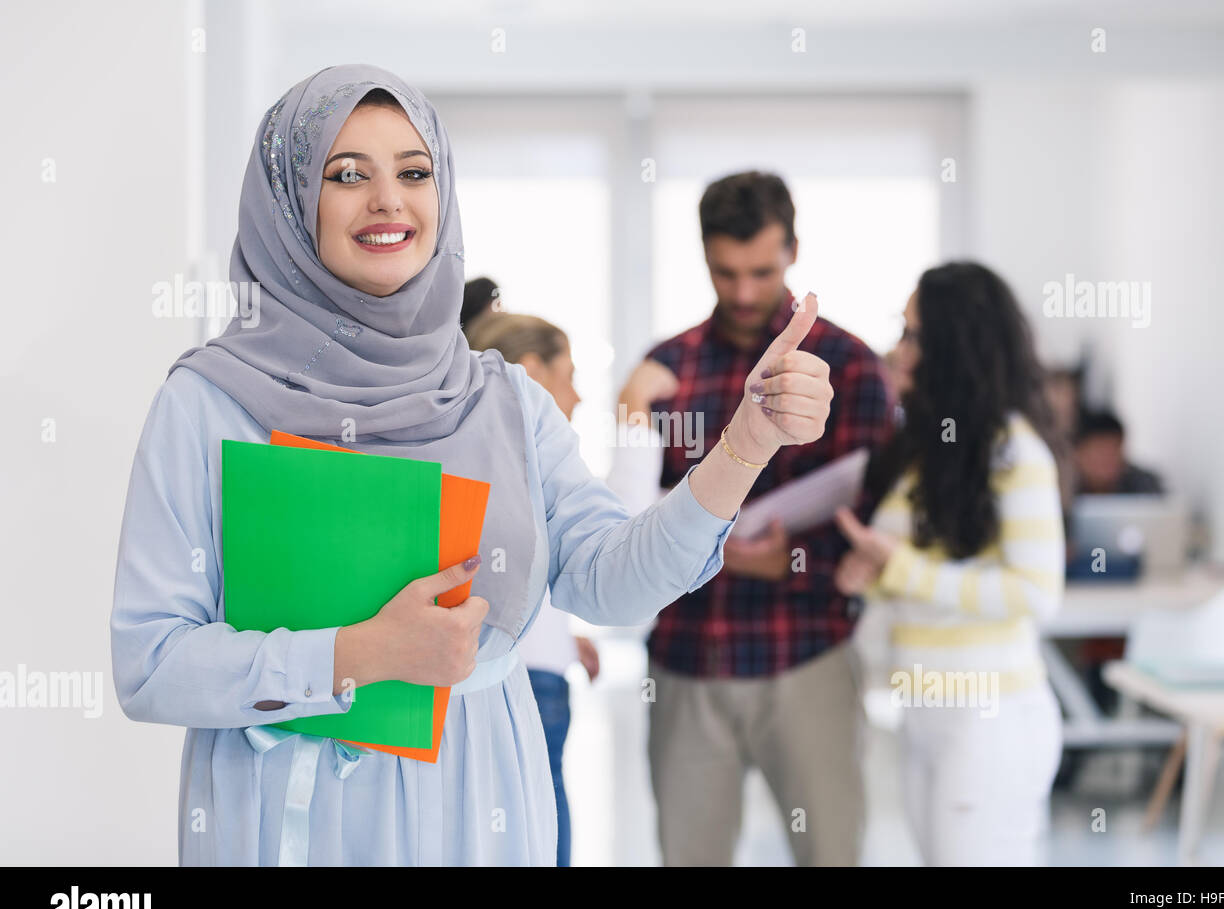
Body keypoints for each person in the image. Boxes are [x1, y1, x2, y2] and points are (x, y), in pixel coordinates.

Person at [108, 65, 835, 866]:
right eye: (347, 174)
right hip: (290, 808)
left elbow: (612, 581)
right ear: (286, 204)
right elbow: (150, 664)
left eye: (413, 172)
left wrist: (744, 444)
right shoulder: (209, 404)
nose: (388, 199)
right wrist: (359, 655)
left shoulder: (506, 401)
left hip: (482, 798)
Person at [638, 170, 893, 866]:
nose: (744, 292)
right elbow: (630, 515)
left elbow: (872, 519)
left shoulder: (850, 364)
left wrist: (794, 560)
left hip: (805, 656)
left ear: (793, 249)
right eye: (725, 272)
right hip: (689, 659)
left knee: (831, 853)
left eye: (761, 270)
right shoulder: (667, 368)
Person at [834, 261, 1066, 866]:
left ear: (954, 344)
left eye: (914, 335)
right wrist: (874, 577)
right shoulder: (921, 449)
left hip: (990, 719)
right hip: (925, 713)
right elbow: (923, 579)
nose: (899, 348)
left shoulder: (1014, 450)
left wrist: (900, 568)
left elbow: (1035, 592)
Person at [464, 310, 600, 867]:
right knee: (542, 838)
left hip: (521, 673)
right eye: (569, 373)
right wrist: (637, 418)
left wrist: (566, 636)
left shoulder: (472, 453)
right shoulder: (520, 458)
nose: (580, 395)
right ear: (531, 373)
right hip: (530, 682)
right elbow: (609, 545)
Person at [1072, 408, 1164, 495]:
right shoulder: (1065, 486)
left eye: (1113, 451)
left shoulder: (1145, 485)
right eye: (1100, 453)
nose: (1107, 460)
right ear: (1078, 453)